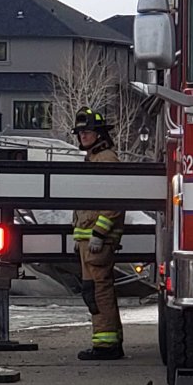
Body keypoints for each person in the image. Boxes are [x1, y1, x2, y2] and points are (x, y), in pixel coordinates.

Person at [70, 108, 126, 361]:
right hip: (88, 242)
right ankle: (105, 341)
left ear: (100, 133)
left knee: (99, 291)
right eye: (80, 132)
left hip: (97, 243)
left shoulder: (105, 159)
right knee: (92, 291)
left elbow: (114, 202)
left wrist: (99, 234)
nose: (83, 136)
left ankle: (107, 345)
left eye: (88, 131)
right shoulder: (93, 159)